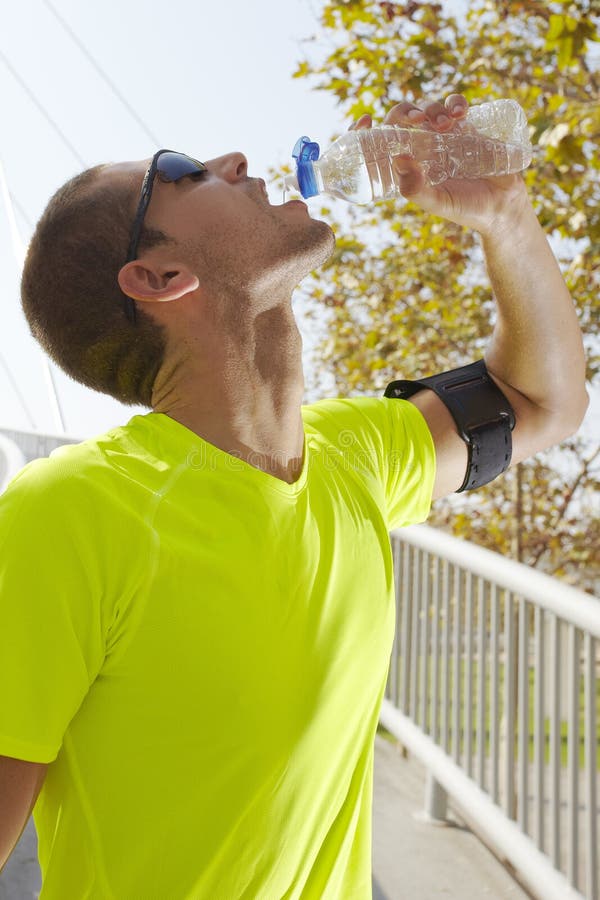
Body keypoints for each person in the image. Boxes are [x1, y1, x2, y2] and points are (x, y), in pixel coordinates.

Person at [0, 92, 588, 899]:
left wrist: (508, 219)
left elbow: (540, 401)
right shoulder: (73, 509)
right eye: (186, 171)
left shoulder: (353, 454)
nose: (236, 160)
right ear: (160, 277)